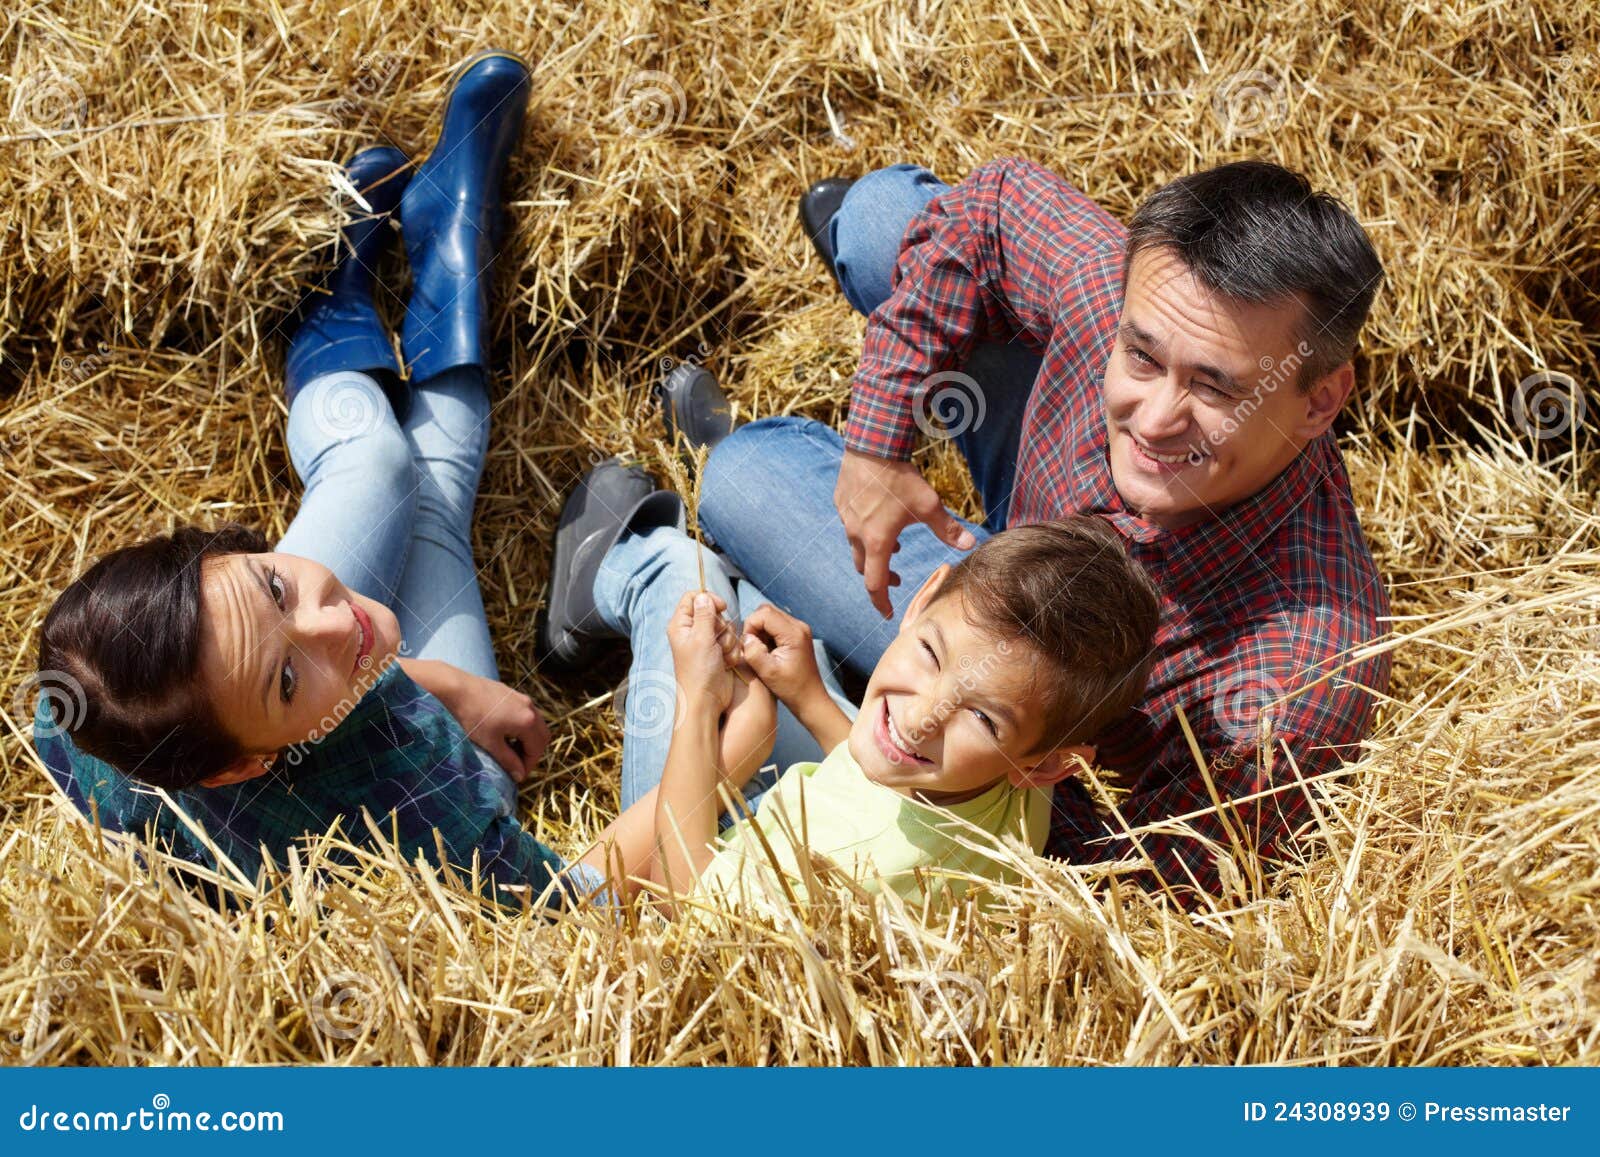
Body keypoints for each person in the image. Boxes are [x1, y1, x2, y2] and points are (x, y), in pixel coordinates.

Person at [675, 158, 1394, 908]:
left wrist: (975, 741)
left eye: (1215, 387)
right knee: (879, 215)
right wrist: (877, 443)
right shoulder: (1145, 298)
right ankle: (920, 335)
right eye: (1142, 356)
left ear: (1320, 402)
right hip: (989, 581)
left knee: (739, 474)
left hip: (1010, 713)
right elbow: (993, 205)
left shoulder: (1294, 683)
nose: (1154, 421)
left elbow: (1137, 894)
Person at [29, 52, 569, 913]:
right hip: (394, 774)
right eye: (285, 676)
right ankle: (449, 244)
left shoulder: (81, 706)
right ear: (244, 764)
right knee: (428, 497)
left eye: (273, 583)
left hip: (264, 700)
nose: (335, 619)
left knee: (378, 466)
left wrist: (451, 682)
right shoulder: (428, 804)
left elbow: (279, 650)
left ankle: (358, 293)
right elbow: (586, 901)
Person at [550, 511, 1160, 912]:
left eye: (981, 719)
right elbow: (881, 791)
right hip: (794, 817)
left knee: (680, 572)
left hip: (678, 875)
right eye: (930, 654)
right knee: (763, 636)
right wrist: (809, 697)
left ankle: (609, 563)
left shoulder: (869, 871)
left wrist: (707, 718)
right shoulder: (1015, 762)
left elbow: (684, 902)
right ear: (923, 599)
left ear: (1048, 765)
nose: (922, 717)